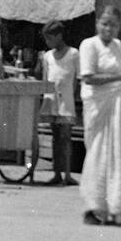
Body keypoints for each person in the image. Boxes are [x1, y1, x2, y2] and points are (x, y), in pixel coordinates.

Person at [78, 5, 121, 226]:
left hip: (117, 108)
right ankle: (92, 208)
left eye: (113, 25)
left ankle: (114, 209)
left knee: (117, 157)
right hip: (98, 107)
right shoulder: (88, 45)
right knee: (97, 155)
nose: (108, 29)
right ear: (97, 24)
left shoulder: (118, 46)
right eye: (104, 23)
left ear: (119, 27)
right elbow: (89, 78)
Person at [36, 20, 79, 186]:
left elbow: (76, 78)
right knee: (55, 137)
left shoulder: (74, 54)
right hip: (51, 100)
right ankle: (56, 173)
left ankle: (67, 174)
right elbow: (45, 78)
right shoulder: (47, 56)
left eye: (50, 38)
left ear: (59, 36)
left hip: (66, 100)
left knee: (66, 137)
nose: (48, 42)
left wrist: (73, 97)